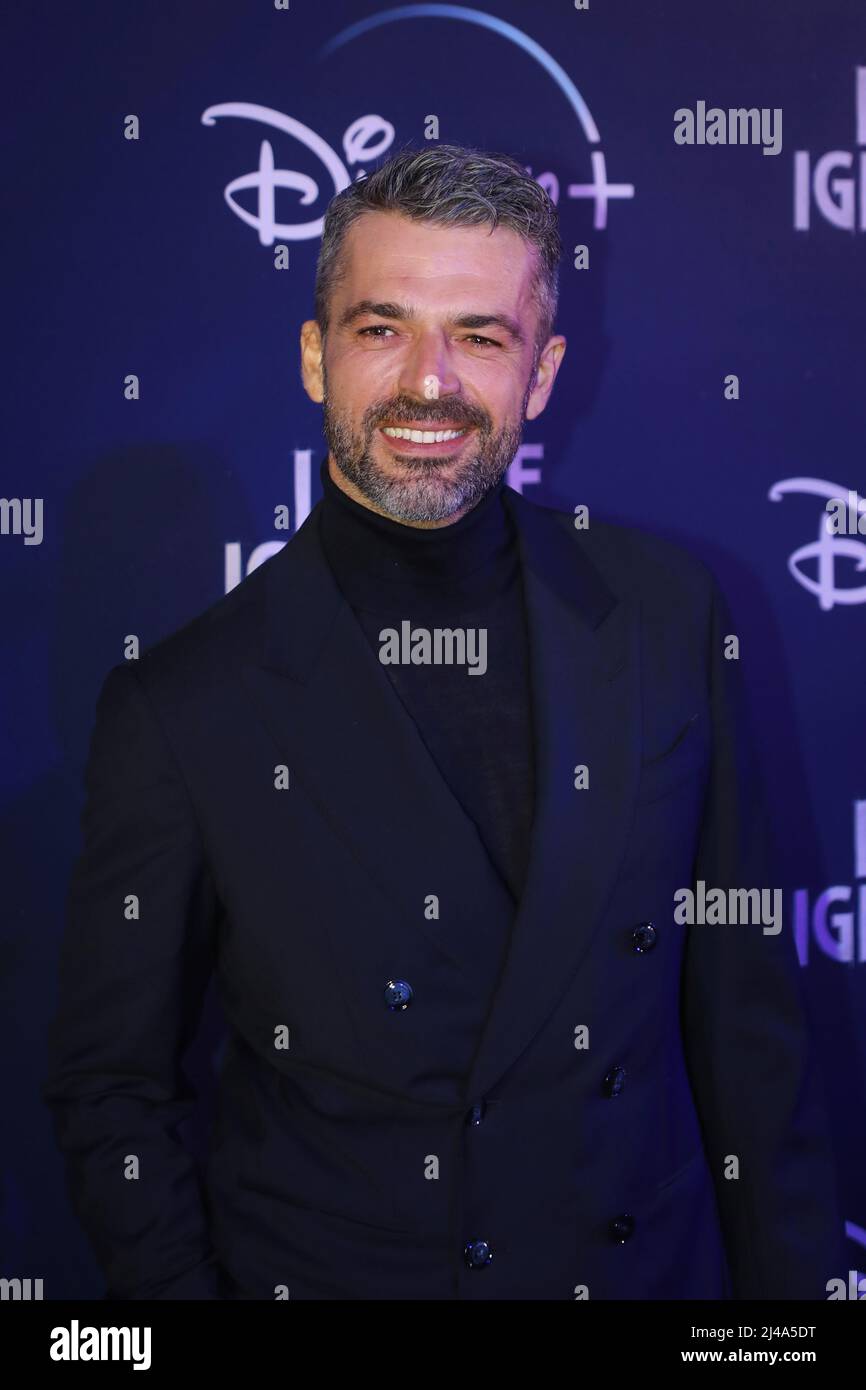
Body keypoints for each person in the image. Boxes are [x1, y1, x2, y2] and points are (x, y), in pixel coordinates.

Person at [43, 144, 845, 1300]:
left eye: (479, 335)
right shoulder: (185, 703)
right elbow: (110, 1087)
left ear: (543, 370)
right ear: (316, 356)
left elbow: (748, 1036)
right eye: (382, 328)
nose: (430, 382)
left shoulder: (666, 616)